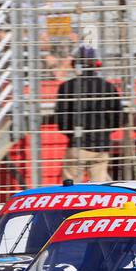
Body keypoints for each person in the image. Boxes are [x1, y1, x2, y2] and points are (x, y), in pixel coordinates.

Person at [53, 45, 125, 183]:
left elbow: (61, 119)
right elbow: (117, 118)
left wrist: (73, 134)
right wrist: (103, 133)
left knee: (71, 187)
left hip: (77, 143)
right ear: (96, 64)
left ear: (75, 64)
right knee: (100, 186)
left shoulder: (66, 87)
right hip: (101, 145)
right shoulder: (108, 87)